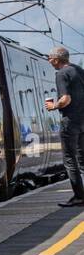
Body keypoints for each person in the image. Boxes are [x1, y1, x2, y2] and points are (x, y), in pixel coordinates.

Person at [45, 45, 84, 206]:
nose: (48, 60)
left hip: (70, 121)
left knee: (70, 159)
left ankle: (79, 196)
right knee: (82, 159)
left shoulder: (61, 74)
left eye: (49, 58)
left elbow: (65, 99)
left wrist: (53, 106)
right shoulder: (79, 71)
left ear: (56, 59)